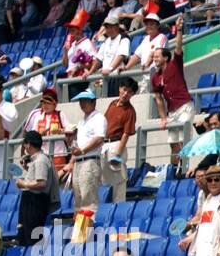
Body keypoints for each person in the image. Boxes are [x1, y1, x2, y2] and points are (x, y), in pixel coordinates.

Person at [151, 18, 192, 170]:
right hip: (171, 111)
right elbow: (158, 98)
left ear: (166, 57)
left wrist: (179, 30)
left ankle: (185, 169)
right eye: (154, 56)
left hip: (184, 106)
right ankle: (175, 171)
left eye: (157, 56)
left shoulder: (175, 64)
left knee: (183, 139)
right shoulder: (155, 77)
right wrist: (163, 118)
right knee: (173, 142)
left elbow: (178, 48)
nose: (154, 58)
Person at [63, 89, 105, 221]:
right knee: (78, 197)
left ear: (93, 102)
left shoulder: (99, 118)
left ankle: (88, 228)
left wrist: (82, 151)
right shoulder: (81, 122)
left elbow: (99, 139)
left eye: (85, 101)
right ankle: (79, 228)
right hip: (79, 161)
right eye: (81, 101)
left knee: (88, 197)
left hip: (90, 160)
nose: (82, 104)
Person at [14, 130, 58, 247]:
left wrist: (24, 184)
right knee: (25, 233)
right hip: (30, 200)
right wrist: (27, 168)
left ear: (28, 144)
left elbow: (42, 183)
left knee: (32, 234)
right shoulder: (36, 160)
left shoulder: (41, 160)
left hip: (36, 201)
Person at [101, 77, 138, 203]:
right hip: (105, 143)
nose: (126, 94)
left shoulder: (130, 111)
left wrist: (118, 153)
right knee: (103, 179)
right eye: (124, 89)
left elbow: (126, 134)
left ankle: (118, 207)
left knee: (119, 182)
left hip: (117, 144)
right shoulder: (112, 103)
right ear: (119, 88)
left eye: (130, 92)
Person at [24, 88, 70, 172]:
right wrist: (40, 134)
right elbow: (33, 135)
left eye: (48, 103)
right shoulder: (38, 117)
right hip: (42, 154)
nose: (45, 105)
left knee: (57, 179)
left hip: (58, 153)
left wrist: (61, 131)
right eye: (43, 103)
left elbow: (69, 130)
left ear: (54, 104)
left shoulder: (60, 114)